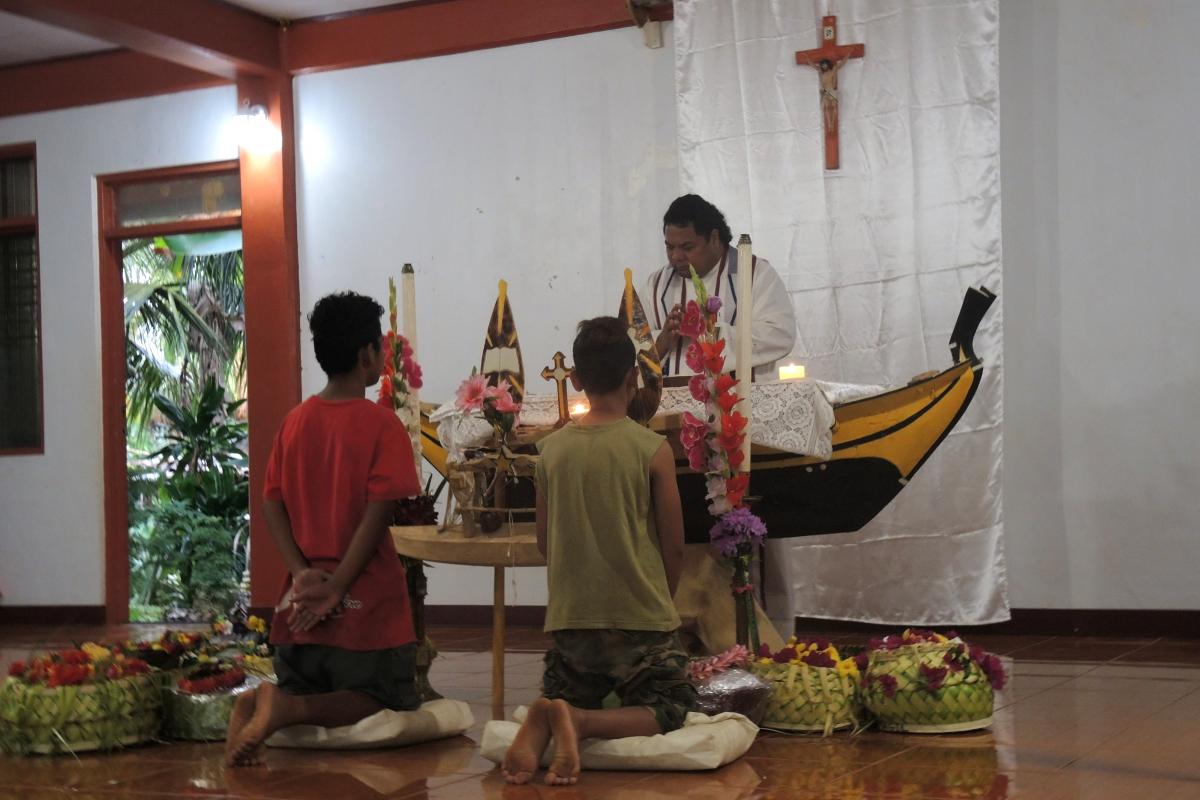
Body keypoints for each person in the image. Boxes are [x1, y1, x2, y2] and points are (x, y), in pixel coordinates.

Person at [226, 291, 422, 767]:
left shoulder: (295, 422)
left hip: (299, 610)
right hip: (363, 606)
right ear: (366, 355)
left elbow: (271, 503)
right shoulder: (381, 425)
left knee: (305, 682)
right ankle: (287, 709)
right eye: (380, 346)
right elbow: (377, 516)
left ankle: (268, 700)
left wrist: (299, 572)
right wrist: (337, 587)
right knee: (386, 698)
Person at [501, 317, 694, 786]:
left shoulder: (550, 451)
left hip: (571, 623)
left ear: (577, 380)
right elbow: (674, 544)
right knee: (672, 707)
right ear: (633, 378)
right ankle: (581, 721)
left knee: (571, 688)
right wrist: (662, 604)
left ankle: (553, 713)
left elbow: (545, 542)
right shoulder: (652, 449)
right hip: (640, 619)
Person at [644, 194, 796, 380]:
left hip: (740, 396)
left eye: (687, 247)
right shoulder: (656, 285)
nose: (675, 257)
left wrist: (708, 333)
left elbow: (780, 335)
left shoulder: (755, 274)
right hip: (672, 396)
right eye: (670, 247)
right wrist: (661, 342)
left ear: (714, 238)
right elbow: (629, 347)